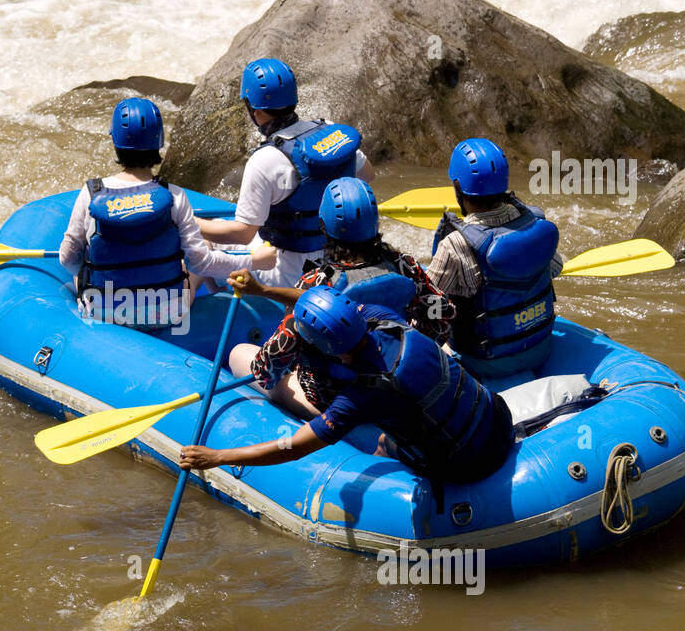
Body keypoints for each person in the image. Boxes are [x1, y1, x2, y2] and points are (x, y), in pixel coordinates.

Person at [179, 286, 514, 484]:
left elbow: (294, 446)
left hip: (468, 463)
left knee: (382, 442)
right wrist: (261, 289)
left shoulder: (359, 397)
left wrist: (220, 456)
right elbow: (327, 303)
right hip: (498, 421)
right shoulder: (385, 319)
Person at [226, 176, 455, 420]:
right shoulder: (405, 265)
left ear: (323, 227)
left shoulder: (316, 284)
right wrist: (412, 341)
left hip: (335, 399)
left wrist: (284, 367)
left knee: (238, 354)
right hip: (396, 380)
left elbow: (269, 367)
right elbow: (443, 315)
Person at [58, 97, 252, 330]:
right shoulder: (174, 195)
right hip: (166, 314)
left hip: (105, 315)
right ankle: (220, 297)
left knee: (80, 274)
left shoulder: (91, 194)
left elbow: (67, 258)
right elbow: (201, 263)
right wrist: (254, 261)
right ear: (158, 142)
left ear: (115, 142)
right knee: (204, 246)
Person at [196, 57, 375, 288]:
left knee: (199, 235)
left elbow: (242, 234)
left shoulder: (264, 160)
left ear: (255, 111)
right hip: (336, 262)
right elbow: (367, 175)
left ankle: (203, 308)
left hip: (288, 275)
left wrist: (188, 220)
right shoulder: (329, 131)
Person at [426, 137, 562, 379]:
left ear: (458, 189)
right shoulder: (536, 224)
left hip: (484, 362)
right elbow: (556, 268)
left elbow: (429, 307)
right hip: (540, 348)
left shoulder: (455, 244)